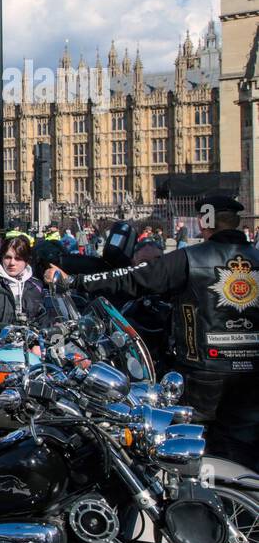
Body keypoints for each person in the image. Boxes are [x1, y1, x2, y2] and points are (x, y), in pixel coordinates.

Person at [46, 194, 259, 468]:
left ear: (205, 221)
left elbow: (132, 278)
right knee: (247, 451)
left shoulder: (188, 259)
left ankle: (204, 504)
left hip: (203, 373)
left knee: (197, 451)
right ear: (237, 222)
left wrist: (75, 281)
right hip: (251, 373)